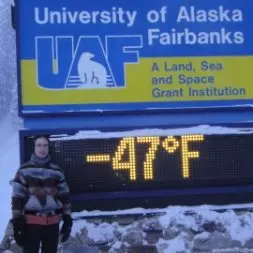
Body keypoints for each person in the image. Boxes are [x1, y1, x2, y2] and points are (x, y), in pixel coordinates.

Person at [10, 135, 73, 253]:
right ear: (34, 148)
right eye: (39, 145)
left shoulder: (57, 171)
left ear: (49, 148)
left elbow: (65, 197)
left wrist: (67, 219)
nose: (42, 149)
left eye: (45, 145)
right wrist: (17, 224)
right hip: (30, 224)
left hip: (52, 223)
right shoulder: (24, 170)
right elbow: (17, 199)